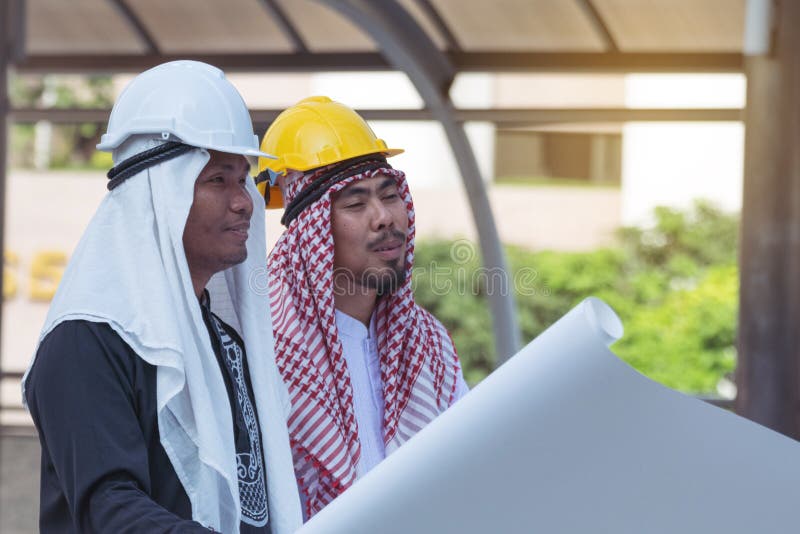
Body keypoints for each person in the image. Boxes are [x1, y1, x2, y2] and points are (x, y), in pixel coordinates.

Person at [22, 61, 302, 533]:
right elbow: (108, 509)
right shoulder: (85, 344)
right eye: (217, 179)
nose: (243, 201)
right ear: (158, 195)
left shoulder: (224, 341)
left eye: (242, 178)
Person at [255, 96, 469, 519]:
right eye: (355, 204)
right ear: (309, 228)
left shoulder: (429, 343)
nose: (384, 217)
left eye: (390, 196)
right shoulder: (264, 347)